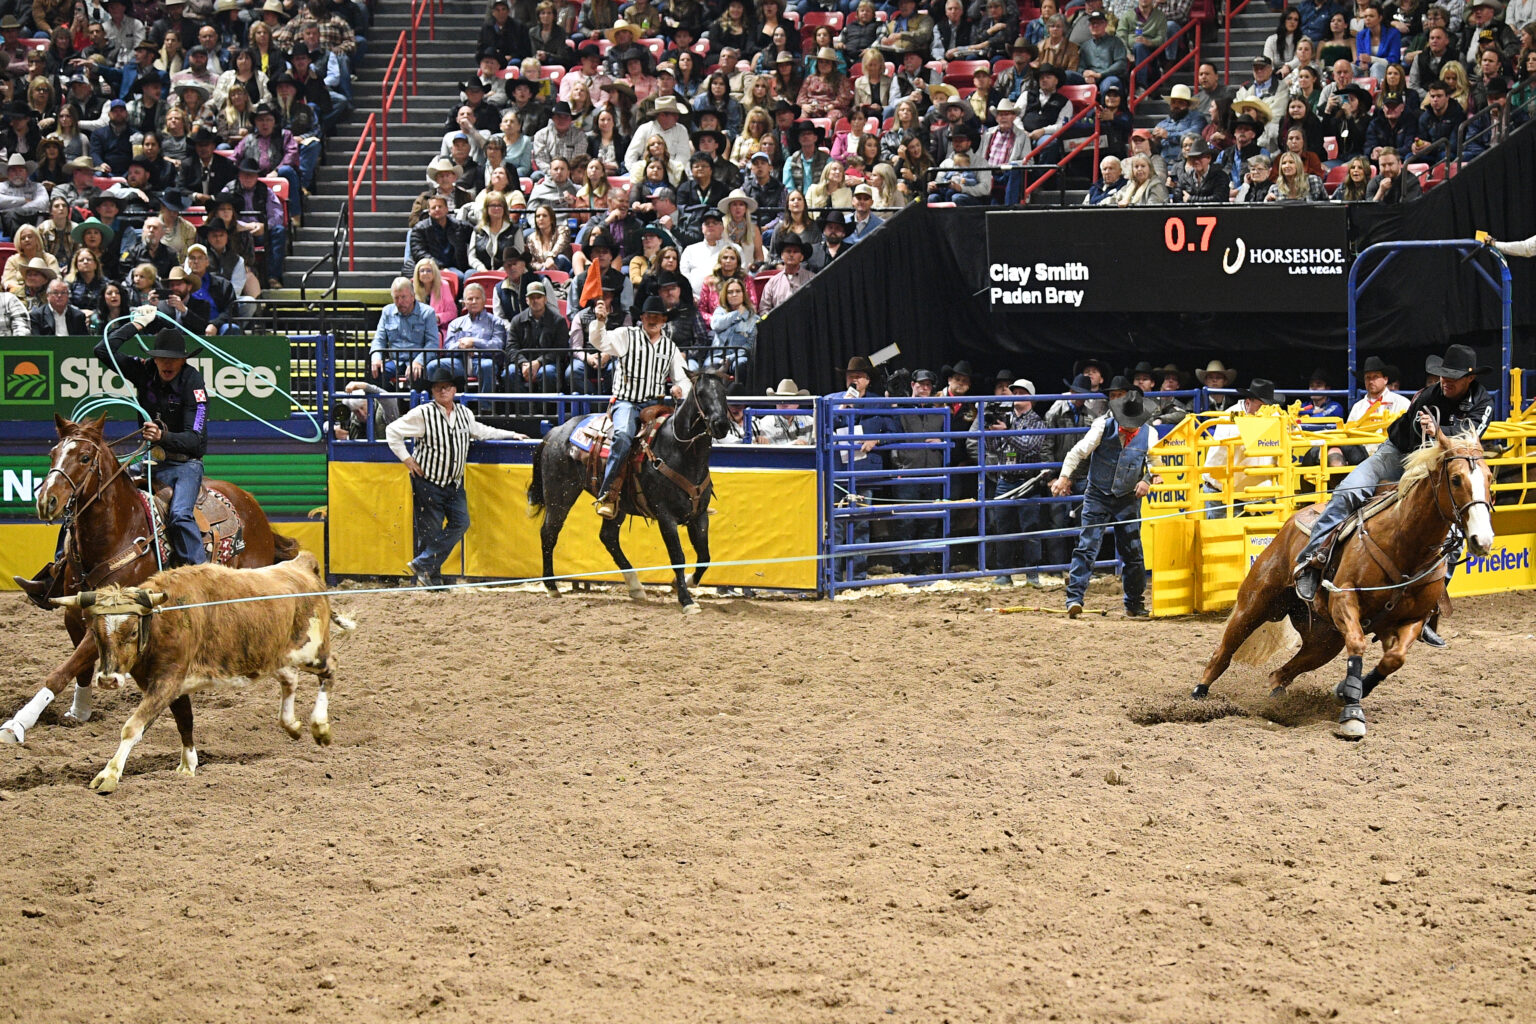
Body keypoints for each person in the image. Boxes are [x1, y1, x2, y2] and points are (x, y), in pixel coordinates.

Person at [1292, 344, 1496, 644]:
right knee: (1348, 491)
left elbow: (1469, 438)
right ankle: (1311, 561)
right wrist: (1434, 430)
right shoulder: (1427, 396)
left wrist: (1440, 431)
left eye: (1452, 376)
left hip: (1436, 471)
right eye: (1442, 375)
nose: (1445, 381)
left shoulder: (1483, 402)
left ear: (1469, 379)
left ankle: (1427, 608)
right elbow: (1414, 433)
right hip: (1398, 454)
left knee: (1451, 540)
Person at [386, 364, 526, 588]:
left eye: (447, 387)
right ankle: (431, 578)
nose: (443, 391)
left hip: (454, 482)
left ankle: (423, 564)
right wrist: (406, 458)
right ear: (432, 391)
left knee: (461, 523)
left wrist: (510, 434)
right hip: (428, 481)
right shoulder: (423, 413)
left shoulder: (464, 413)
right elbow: (392, 431)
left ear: (454, 390)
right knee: (430, 531)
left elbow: (482, 431)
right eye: (438, 387)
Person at [1051, 386, 1155, 618]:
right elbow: (1077, 452)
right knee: (1087, 546)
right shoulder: (1101, 426)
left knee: (1133, 552)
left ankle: (1135, 603)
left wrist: (1148, 479)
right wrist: (1064, 477)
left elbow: (1157, 463)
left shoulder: (1149, 433)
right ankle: (1074, 599)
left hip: (1128, 498)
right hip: (1098, 494)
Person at [583, 293, 690, 519]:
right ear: (641, 317)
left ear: (664, 320)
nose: (653, 320)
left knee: (683, 437)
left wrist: (680, 389)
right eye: (649, 315)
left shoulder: (670, 347)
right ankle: (608, 494)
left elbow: (682, 378)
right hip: (626, 403)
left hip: (656, 406)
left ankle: (692, 497)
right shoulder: (626, 335)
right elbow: (599, 341)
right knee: (622, 436)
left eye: (658, 316)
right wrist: (600, 321)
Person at [983, 378, 1051, 586]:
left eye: (1021, 392)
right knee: (1001, 526)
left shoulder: (1037, 422)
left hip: (1028, 481)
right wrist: (989, 431)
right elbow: (993, 448)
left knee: (1030, 528)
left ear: (1030, 397)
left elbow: (1029, 447)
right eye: (1014, 392)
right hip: (1005, 479)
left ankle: (1032, 573)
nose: (1016, 396)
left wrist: (1006, 433)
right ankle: (1004, 572)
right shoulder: (1005, 418)